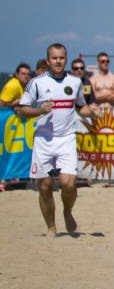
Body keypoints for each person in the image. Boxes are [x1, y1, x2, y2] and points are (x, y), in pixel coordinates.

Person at [16, 43, 101, 236]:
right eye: (54, 58)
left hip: (66, 138)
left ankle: (67, 211)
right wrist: (40, 110)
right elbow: (22, 109)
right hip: (44, 140)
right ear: (48, 61)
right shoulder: (36, 83)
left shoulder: (74, 82)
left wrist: (92, 113)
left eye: (61, 58)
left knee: (68, 183)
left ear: (66, 59)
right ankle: (51, 227)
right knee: (45, 185)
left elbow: (81, 107)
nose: (58, 61)